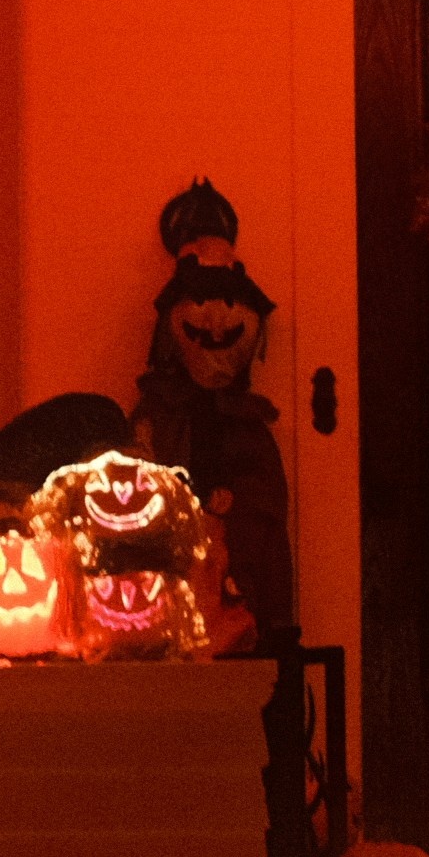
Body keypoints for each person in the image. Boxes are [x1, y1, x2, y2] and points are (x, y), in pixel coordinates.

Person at [127, 180, 301, 654]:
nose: (216, 319)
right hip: (170, 604)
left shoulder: (250, 429)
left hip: (237, 594)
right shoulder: (157, 414)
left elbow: (268, 524)